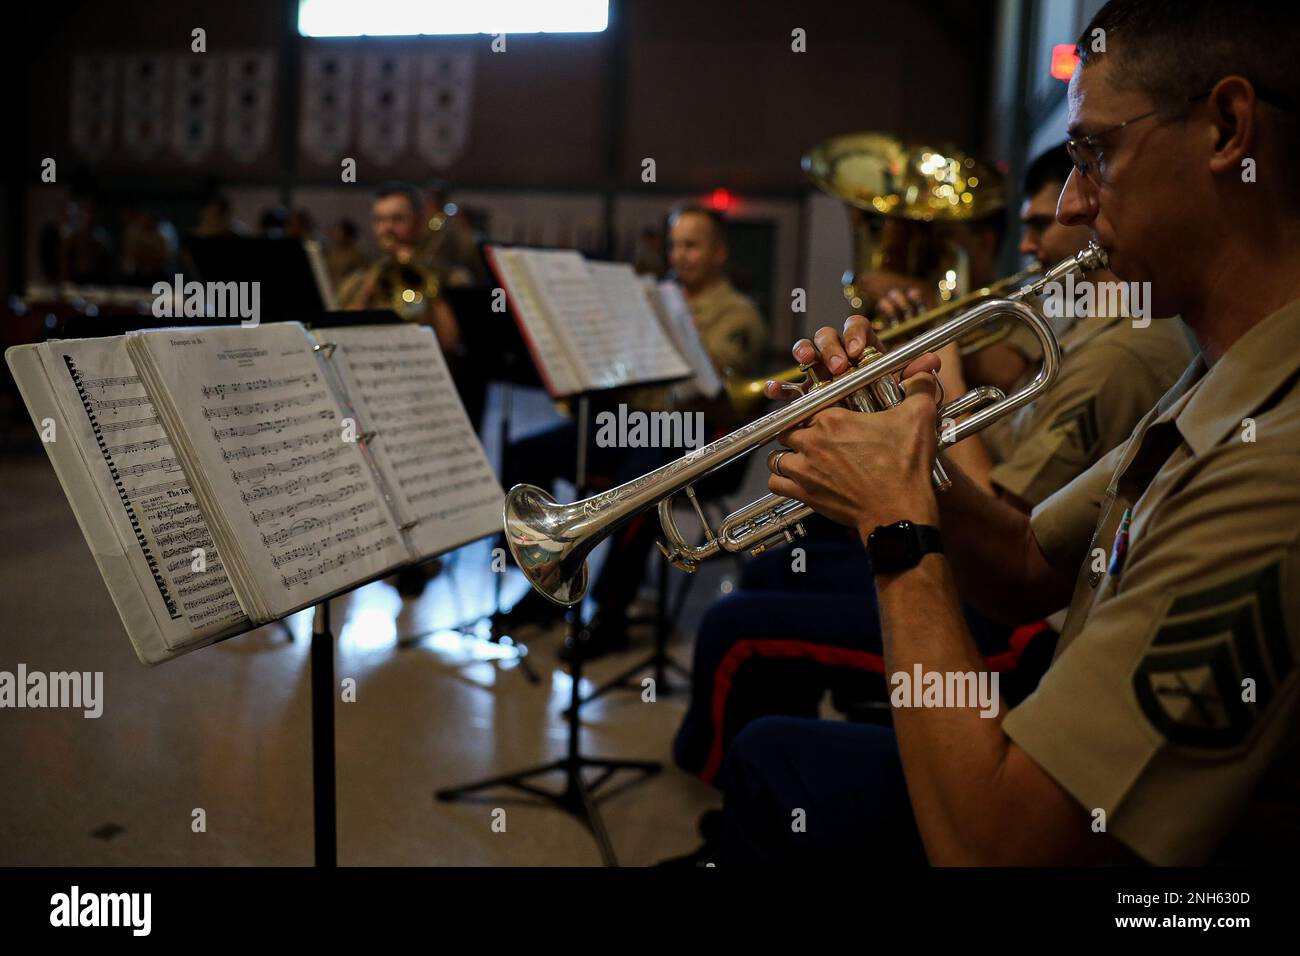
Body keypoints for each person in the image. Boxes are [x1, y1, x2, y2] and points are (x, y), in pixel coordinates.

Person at [718, 0, 1299, 866]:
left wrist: (896, 527)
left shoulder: (1276, 465)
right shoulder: (1216, 374)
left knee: (780, 758)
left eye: (1096, 153)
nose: (1069, 207)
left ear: (1225, 127)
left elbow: (997, 852)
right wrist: (903, 446)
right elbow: (1028, 564)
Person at [670, 144, 1192, 790]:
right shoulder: (1084, 330)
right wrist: (900, 380)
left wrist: (932, 379)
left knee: (733, 631)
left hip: (1009, 622)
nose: (1028, 245)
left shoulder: (1123, 354)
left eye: (1038, 226)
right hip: (986, 571)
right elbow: (1002, 406)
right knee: (773, 569)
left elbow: (1002, 518)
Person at [497, 206, 766, 659]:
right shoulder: (655, 298)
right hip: (629, 427)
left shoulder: (738, 314)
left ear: (719, 253)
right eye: (675, 244)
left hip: (693, 438)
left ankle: (609, 612)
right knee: (528, 453)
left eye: (692, 245)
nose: (679, 255)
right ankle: (542, 579)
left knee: (641, 481)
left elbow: (713, 390)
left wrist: (666, 327)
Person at [336, 182, 462, 356]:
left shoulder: (452, 278)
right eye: (379, 220)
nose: (387, 228)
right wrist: (367, 288)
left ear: (419, 223)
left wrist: (428, 282)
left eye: (397, 219)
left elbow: (450, 342)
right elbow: (338, 338)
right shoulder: (356, 280)